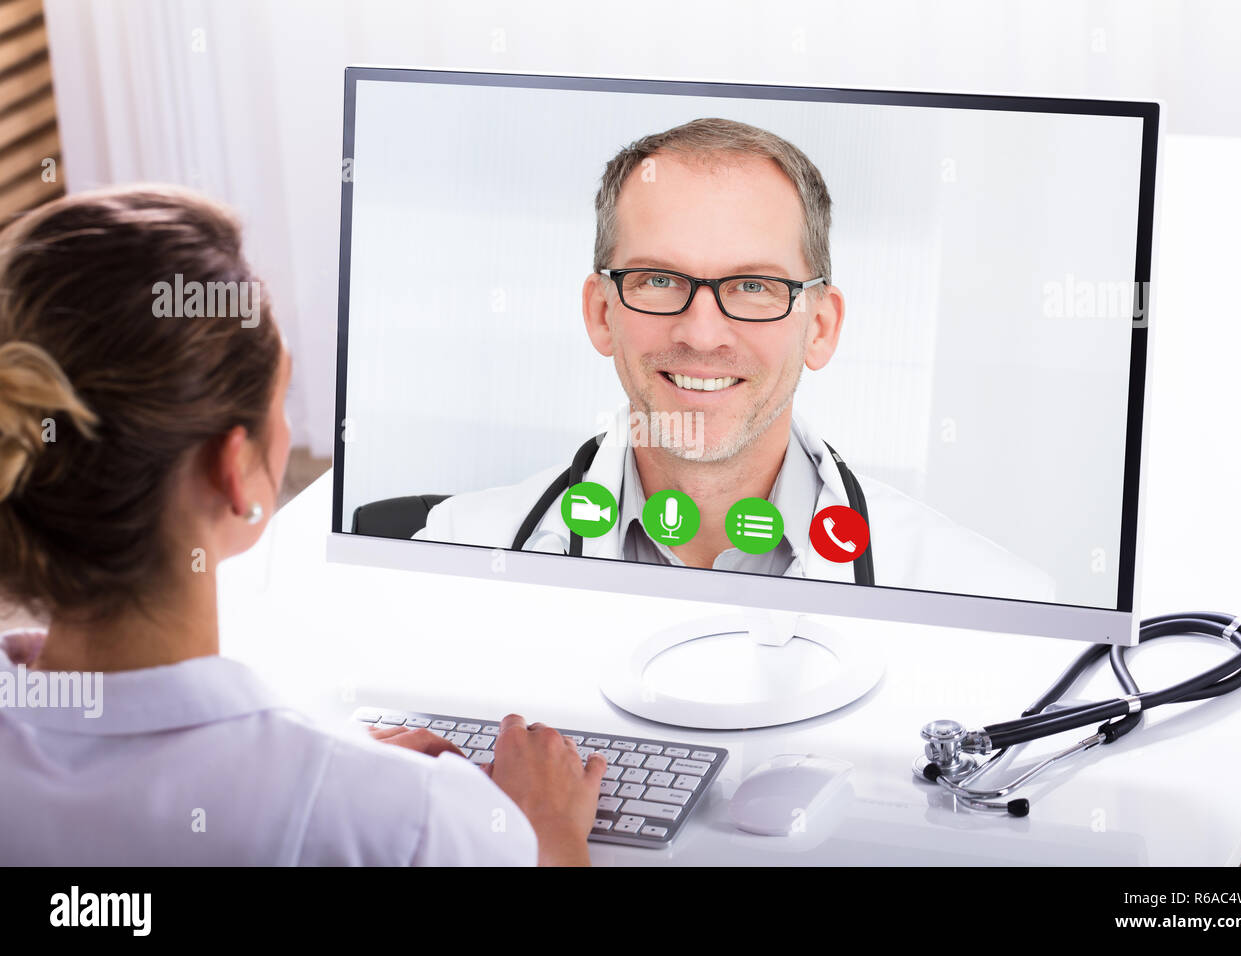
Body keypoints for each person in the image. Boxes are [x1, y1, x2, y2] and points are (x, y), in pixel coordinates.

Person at [0, 185, 604, 865]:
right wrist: (547, 830)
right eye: (278, 397)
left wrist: (327, 764)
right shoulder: (410, 825)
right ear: (234, 471)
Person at [416, 117, 1055, 603]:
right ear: (600, 311)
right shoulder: (454, 557)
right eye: (659, 279)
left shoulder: (988, 598)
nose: (702, 333)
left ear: (821, 327)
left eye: (754, 287)